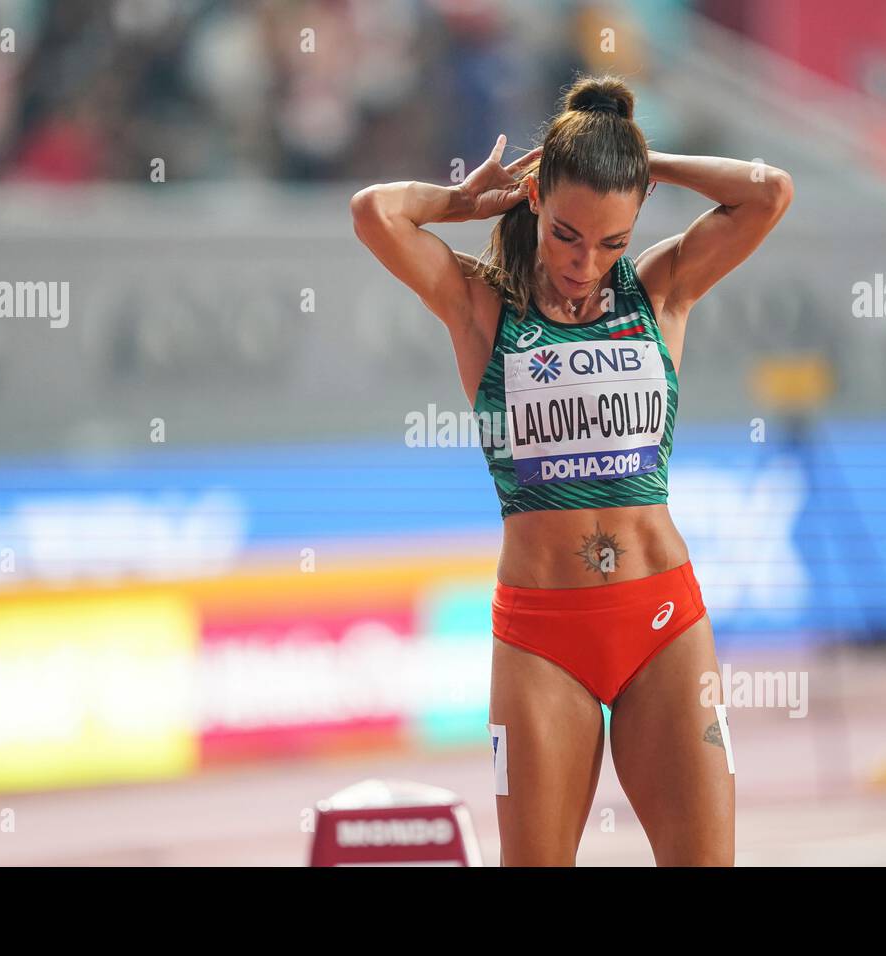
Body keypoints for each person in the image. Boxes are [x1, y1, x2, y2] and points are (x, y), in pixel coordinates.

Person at [350, 73, 792, 866]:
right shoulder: (482, 308)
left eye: (613, 241)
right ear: (534, 199)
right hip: (541, 641)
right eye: (567, 235)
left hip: (664, 624)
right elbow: (373, 213)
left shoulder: (660, 292)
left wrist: (651, 163)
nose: (586, 262)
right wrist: (462, 202)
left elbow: (769, 194)